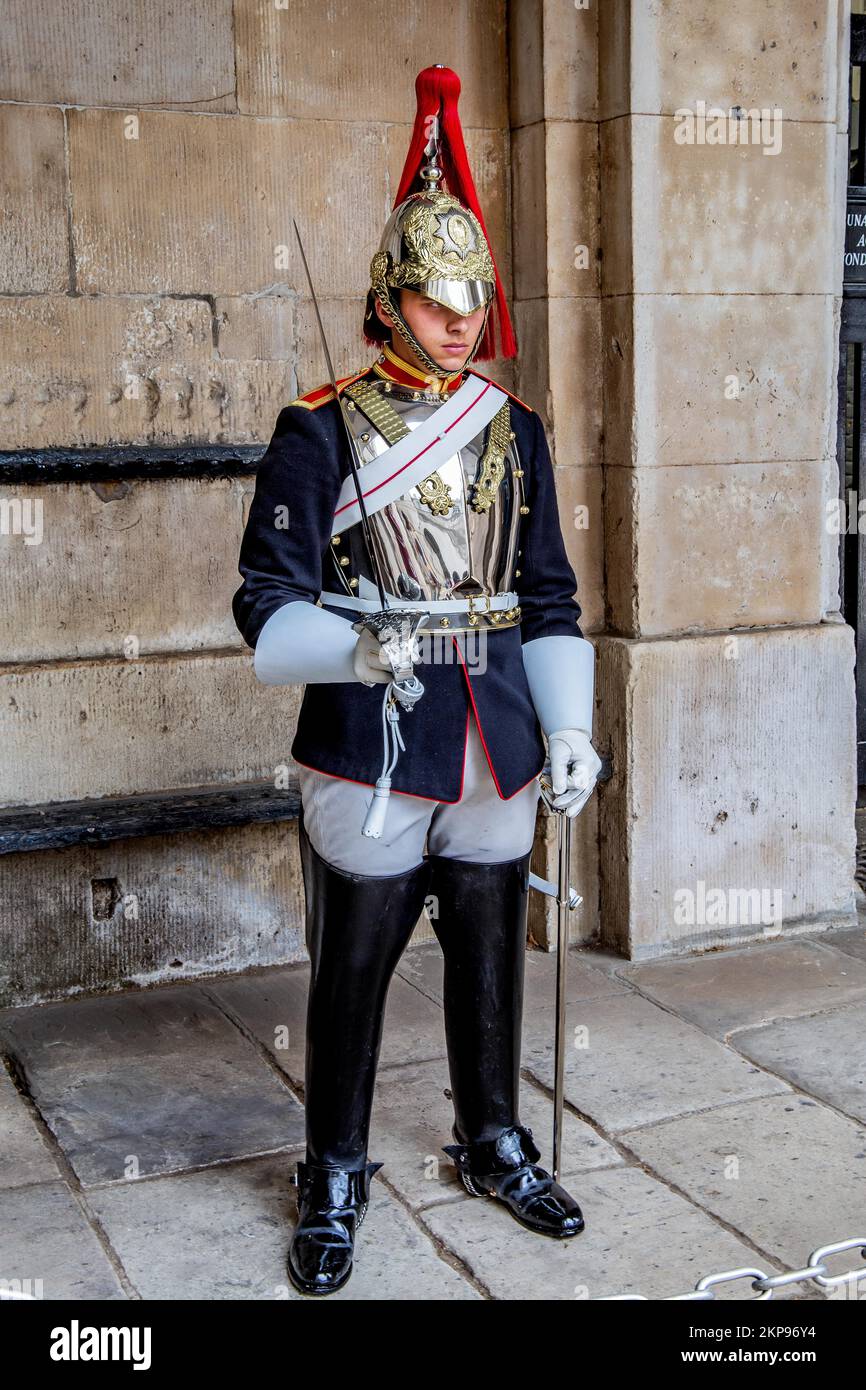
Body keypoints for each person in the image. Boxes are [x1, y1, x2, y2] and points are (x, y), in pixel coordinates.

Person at [231, 65, 602, 1297]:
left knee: (492, 943)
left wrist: (571, 725)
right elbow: (263, 604)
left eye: (472, 299)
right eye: (438, 300)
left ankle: (491, 1135)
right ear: (389, 299)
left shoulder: (515, 431)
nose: (461, 320)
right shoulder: (316, 429)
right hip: (370, 733)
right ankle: (331, 1167)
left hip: (493, 732)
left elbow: (543, 597)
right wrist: (350, 647)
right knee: (356, 959)